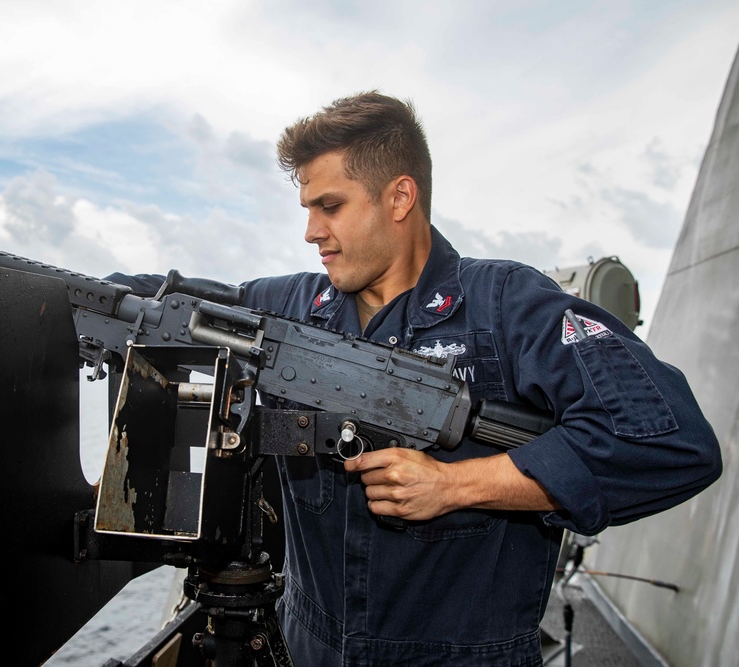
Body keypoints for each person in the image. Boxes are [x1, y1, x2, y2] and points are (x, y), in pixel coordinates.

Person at [115, 91, 722, 666]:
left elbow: (667, 440)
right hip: (309, 649)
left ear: (400, 197)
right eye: (308, 210)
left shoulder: (507, 308)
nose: (311, 232)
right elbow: (165, 302)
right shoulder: (290, 310)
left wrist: (457, 485)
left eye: (331, 207)